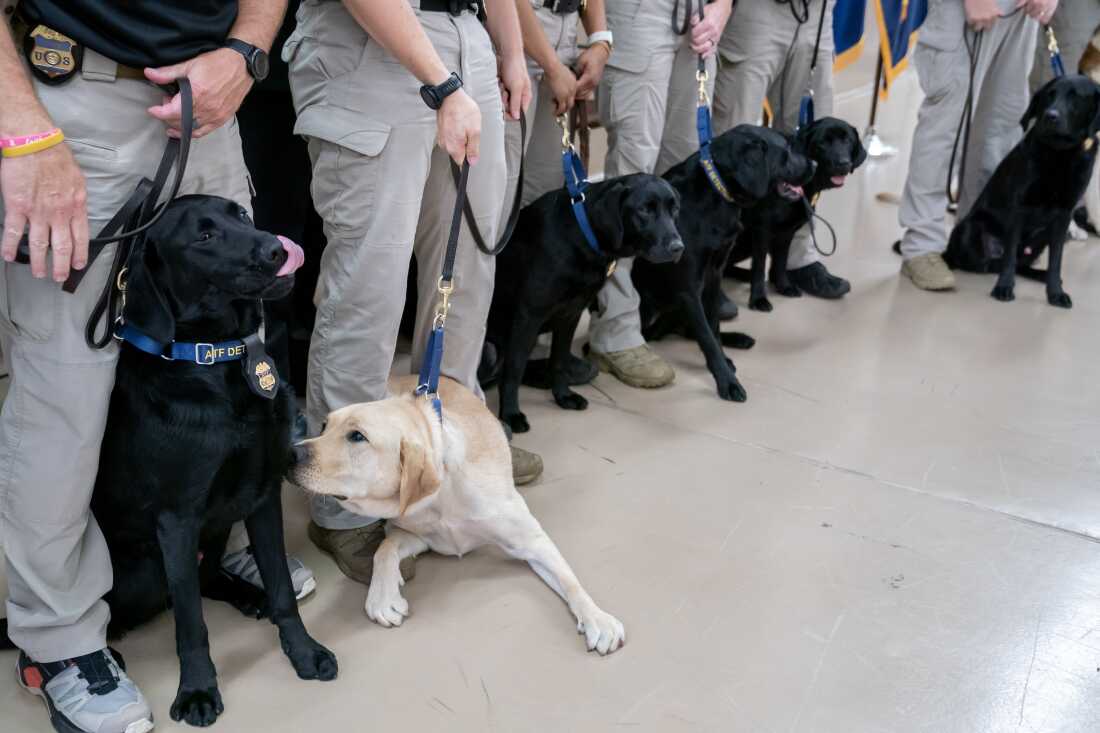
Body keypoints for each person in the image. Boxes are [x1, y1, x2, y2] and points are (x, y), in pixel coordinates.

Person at [0, 2, 284, 732]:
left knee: (229, 350)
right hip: (73, 101)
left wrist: (247, 52)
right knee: (63, 390)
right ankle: (60, 639)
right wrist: (25, 133)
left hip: (210, 104)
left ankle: (218, 536)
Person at [285, 0, 531, 588]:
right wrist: (441, 84)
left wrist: (511, 54)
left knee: (466, 275)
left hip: (470, 42)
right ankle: (342, 502)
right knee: (369, 292)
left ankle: (454, 448)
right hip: (374, 41)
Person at [589, 0, 732, 389]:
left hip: (699, 20)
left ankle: (670, 306)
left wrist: (722, 7)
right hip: (640, 16)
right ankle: (615, 330)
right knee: (632, 185)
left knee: (685, 177)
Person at [897, 0, 1058, 291]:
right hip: (962, 9)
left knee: (1001, 126)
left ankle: (977, 235)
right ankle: (921, 245)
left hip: (1021, 15)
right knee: (946, 125)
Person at [501, 0, 611, 385]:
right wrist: (550, 64)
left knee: (543, 208)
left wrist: (600, 41)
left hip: (563, 37)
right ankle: (487, 350)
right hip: (516, 38)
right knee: (496, 212)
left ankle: (522, 345)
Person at [712, 0, 851, 300]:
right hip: (757, 11)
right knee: (736, 139)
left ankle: (798, 256)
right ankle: (713, 266)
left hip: (818, 13)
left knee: (814, 137)